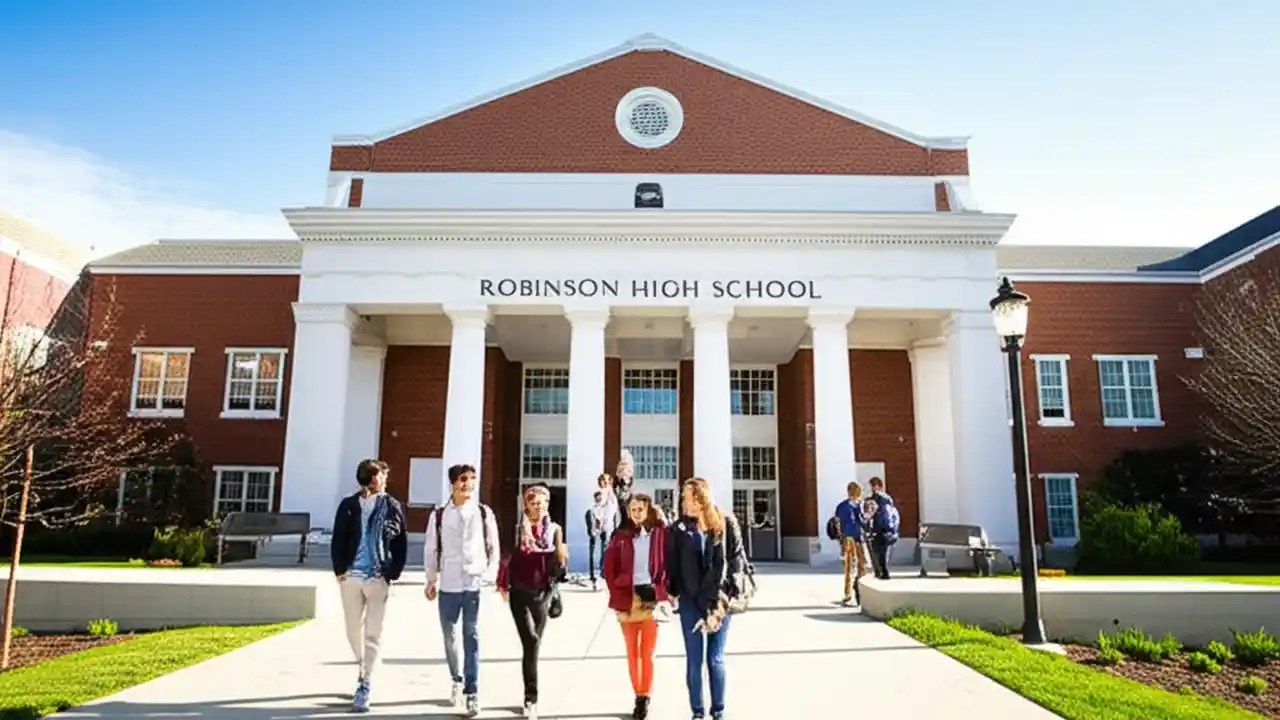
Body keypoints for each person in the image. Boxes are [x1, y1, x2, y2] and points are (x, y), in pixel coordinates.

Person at [330, 458, 408, 713]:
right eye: (378, 475)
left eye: (384, 475)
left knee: (373, 632)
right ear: (367, 477)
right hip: (352, 576)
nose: (382, 479)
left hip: (378, 576)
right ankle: (363, 664)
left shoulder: (391, 505)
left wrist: (392, 573)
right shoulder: (349, 505)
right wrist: (340, 570)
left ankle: (366, 682)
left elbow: (400, 542)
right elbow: (338, 537)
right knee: (353, 628)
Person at [665, 477, 747, 720]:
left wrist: (726, 597)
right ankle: (697, 712)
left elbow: (737, 561)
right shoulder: (678, 529)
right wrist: (672, 591)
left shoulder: (725, 522)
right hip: (690, 599)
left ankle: (719, 711)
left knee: (715, 659)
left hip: (719, 598)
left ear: (703, 499)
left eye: (691, 498)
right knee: (694, 660)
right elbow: (673, 564)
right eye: (684, 498)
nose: (686, 503)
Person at [422, 463, 500, 717]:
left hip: (475, 582)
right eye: (463, 479)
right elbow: (431, 548)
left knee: (472, 635)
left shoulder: (483, 512)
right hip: (450, 583)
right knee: (450, 634)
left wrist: (490, 575)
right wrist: (431, 579)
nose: (468, 484)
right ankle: (456, 677)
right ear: (453, 483)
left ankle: (472, 690)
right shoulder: (440, 515)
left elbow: (493, 547)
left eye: (472, 479)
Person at [496, 484, 568, 720]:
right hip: (519, 592)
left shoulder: (555, 530)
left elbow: (559, 566)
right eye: (533, 502)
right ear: (526, 505)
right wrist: (502, 582)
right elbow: (506, 558)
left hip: (542, 593)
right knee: (531, 640)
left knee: (533, 645)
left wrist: (561, 562)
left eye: (542, 503)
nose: (538, 507)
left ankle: (530, 693)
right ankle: (531, 698)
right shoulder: (518, 529)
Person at [603, 494, 669, 720]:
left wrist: (664, 590)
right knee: (632, 652)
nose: (636, 513)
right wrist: (618, 586)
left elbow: (669, 562)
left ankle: (645, 696)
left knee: (647, 652)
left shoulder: (659, 534)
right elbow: (608, 568)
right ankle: (638, 695)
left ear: (648, 509)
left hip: (651, 598)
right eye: (633, 509)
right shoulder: (621, 536)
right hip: (627, 599)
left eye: (640, 508)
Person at [833, 481, 869, 605]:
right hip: (859, 537)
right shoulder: (860, 505)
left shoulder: (841, 506)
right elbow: (864, 520)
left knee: (848, 567)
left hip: (847, 538)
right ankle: (861, 593)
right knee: (861, 566)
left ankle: (848, 594)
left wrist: (840, 538)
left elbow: (837, 523)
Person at [866, 476, 899, 580]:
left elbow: (872, 512)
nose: (872, 488)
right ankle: (882, 571)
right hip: (887, 528)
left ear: (878, 486)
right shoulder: (888, 499)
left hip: (879, 527)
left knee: (878, 550)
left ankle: (881, 571)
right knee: (883, 551)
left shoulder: (878, 498)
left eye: (873, 485)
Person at [586, 489, 616, 591]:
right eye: (597, 498)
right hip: (595, 534)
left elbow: (611, 518)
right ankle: (594, 578)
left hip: (604, 533)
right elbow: (590, 522)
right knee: (594, 555)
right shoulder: (591, 509)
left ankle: (602, 575)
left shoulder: (607, 509)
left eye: (600, 497)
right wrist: (593, 531)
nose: (599, 499)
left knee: (605, 554)